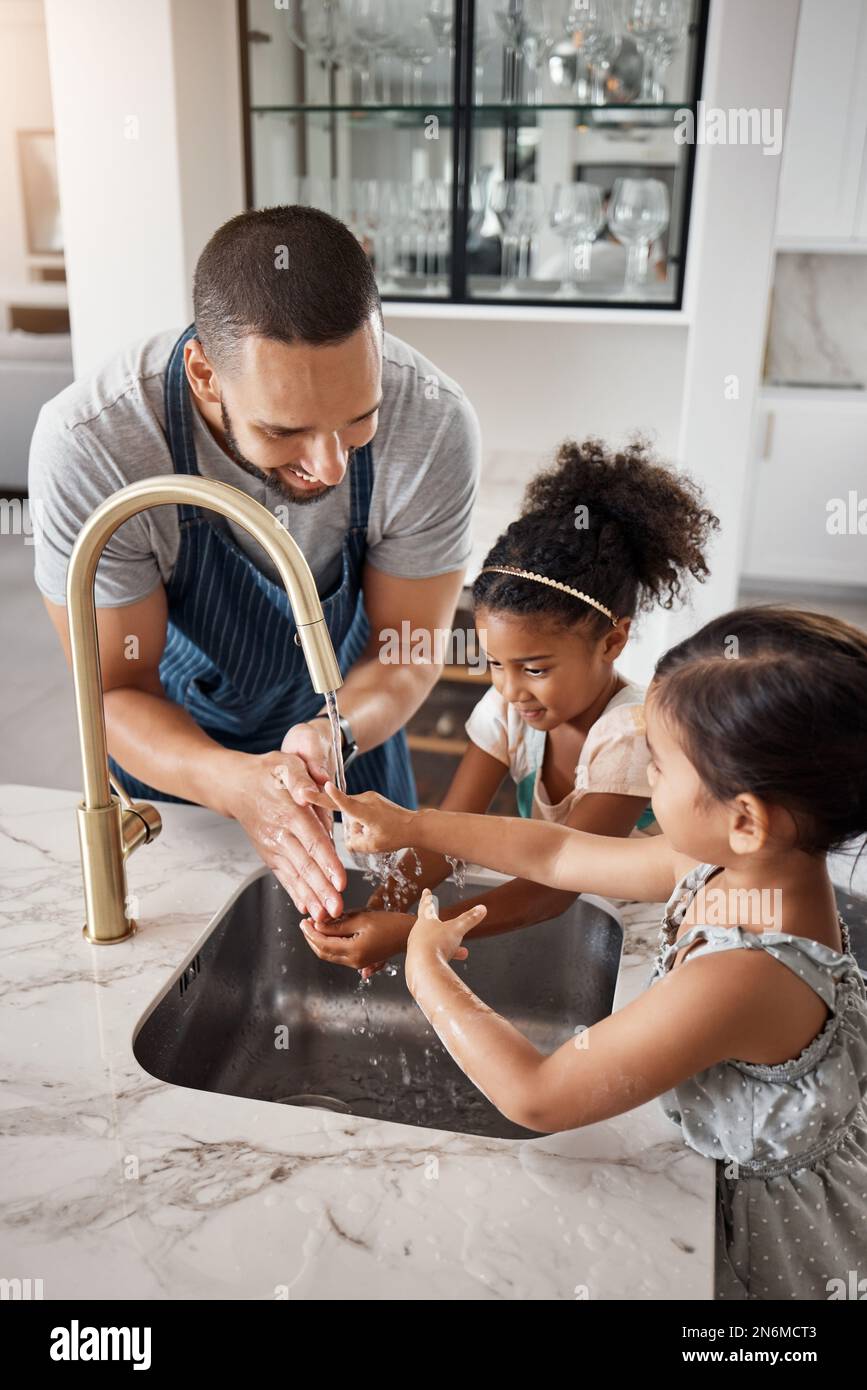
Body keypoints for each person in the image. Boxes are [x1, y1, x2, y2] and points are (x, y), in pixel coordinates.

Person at [313, 607, 867, 1301]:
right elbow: (561, 849)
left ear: (745, 818)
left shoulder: (744, 973)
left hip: (776, 1246)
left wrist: (425, 968)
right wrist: (414, 823)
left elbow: (537, 1097)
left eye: (658, 768)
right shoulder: (740, 864)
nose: (646, 780)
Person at [28, 205, 480, 925]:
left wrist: (336, 733)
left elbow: (406, 650)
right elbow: (112, 690)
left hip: (349, 748)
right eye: (285, 430)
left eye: (357, 419)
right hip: (175, 756)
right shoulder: (95, 444)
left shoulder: (432, 424)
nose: (330, 465)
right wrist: (234, 782)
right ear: (205, 375)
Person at [302, 437, 717, 976]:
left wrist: (416, 934)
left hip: (646, 944)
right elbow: (444, 833)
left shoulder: (631, 733)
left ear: (613, 642)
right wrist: (380, 910)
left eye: (536, 669)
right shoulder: (509, 713)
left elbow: (554, 887)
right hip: (579, 923)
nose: (511, 688)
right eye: (495, 665)